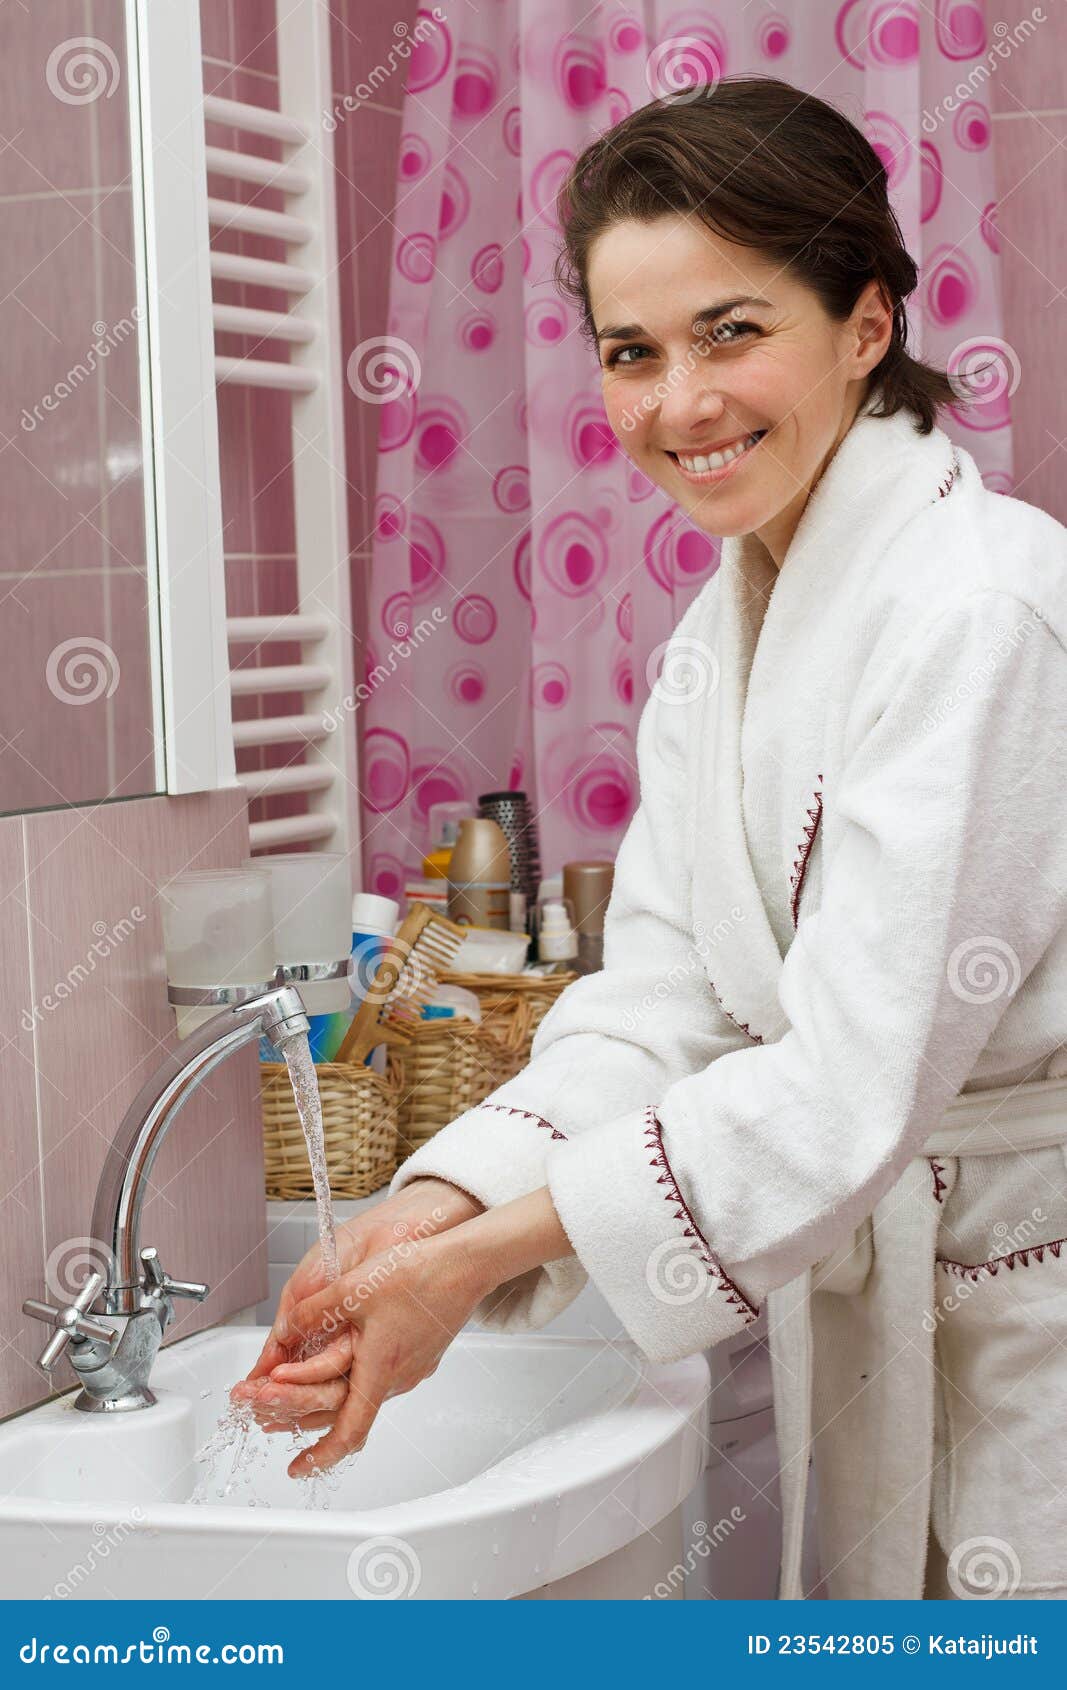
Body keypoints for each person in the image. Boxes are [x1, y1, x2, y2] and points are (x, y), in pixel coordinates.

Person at [232, 77, 1067, 1601]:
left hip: (1025, 1325)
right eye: (634, 352)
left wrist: (464, 1269)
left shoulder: (982, 609)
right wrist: (429, 1210)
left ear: (867, 325)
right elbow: (663, 1001)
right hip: (868, 1293)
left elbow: (843, 1085)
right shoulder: (726, 621)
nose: (681, 404)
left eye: (733, 331)